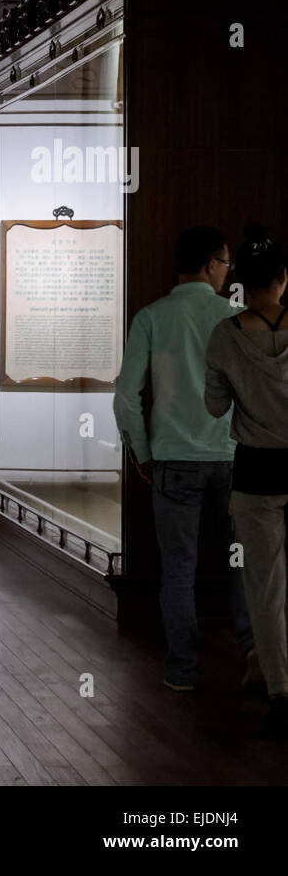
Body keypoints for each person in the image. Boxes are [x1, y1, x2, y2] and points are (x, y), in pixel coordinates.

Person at [114, 227, 255, 692]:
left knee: (177, 568)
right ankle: (255, 657)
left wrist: (143, 449)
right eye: (226, 265)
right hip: (233, 458)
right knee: (242, 561)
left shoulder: (151, 317)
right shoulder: (235, 317)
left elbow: (126, 396)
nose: (226, 273)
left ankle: (182, 671)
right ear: (212, 265)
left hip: (172, 461)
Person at [205, 223, 288, 736]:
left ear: (241, 282)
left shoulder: (226, 335)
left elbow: (214, 405)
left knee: (266, 586)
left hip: (256, 471)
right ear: (283, 278)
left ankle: (280, 690)